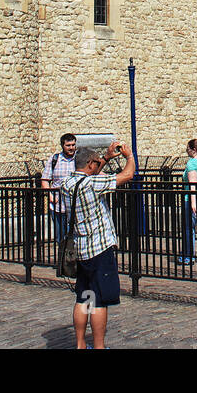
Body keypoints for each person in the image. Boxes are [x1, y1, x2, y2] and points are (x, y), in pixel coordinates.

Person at [59, 140, 135, 349]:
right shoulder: (92, 185)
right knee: (99, 300)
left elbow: (90, 173)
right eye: (96, 163)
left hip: (81, 249)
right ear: (91, 163)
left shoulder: (66, 185)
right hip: (100, 249)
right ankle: (99, 346)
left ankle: (80, 344)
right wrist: (129, 156)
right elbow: (127, 176)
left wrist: (107, 157)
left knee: (84, 297)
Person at [41, 134, 77, 246]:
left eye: (73, 145)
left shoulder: (79, 159)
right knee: (60, 236)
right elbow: (45, 179)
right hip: (58, 205)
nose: (71, 148)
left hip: (75, 204)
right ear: (62, 145)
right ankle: (62, 260)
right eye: (68, 145)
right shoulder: (55, 159)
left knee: (75, 235)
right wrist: (50, 196)